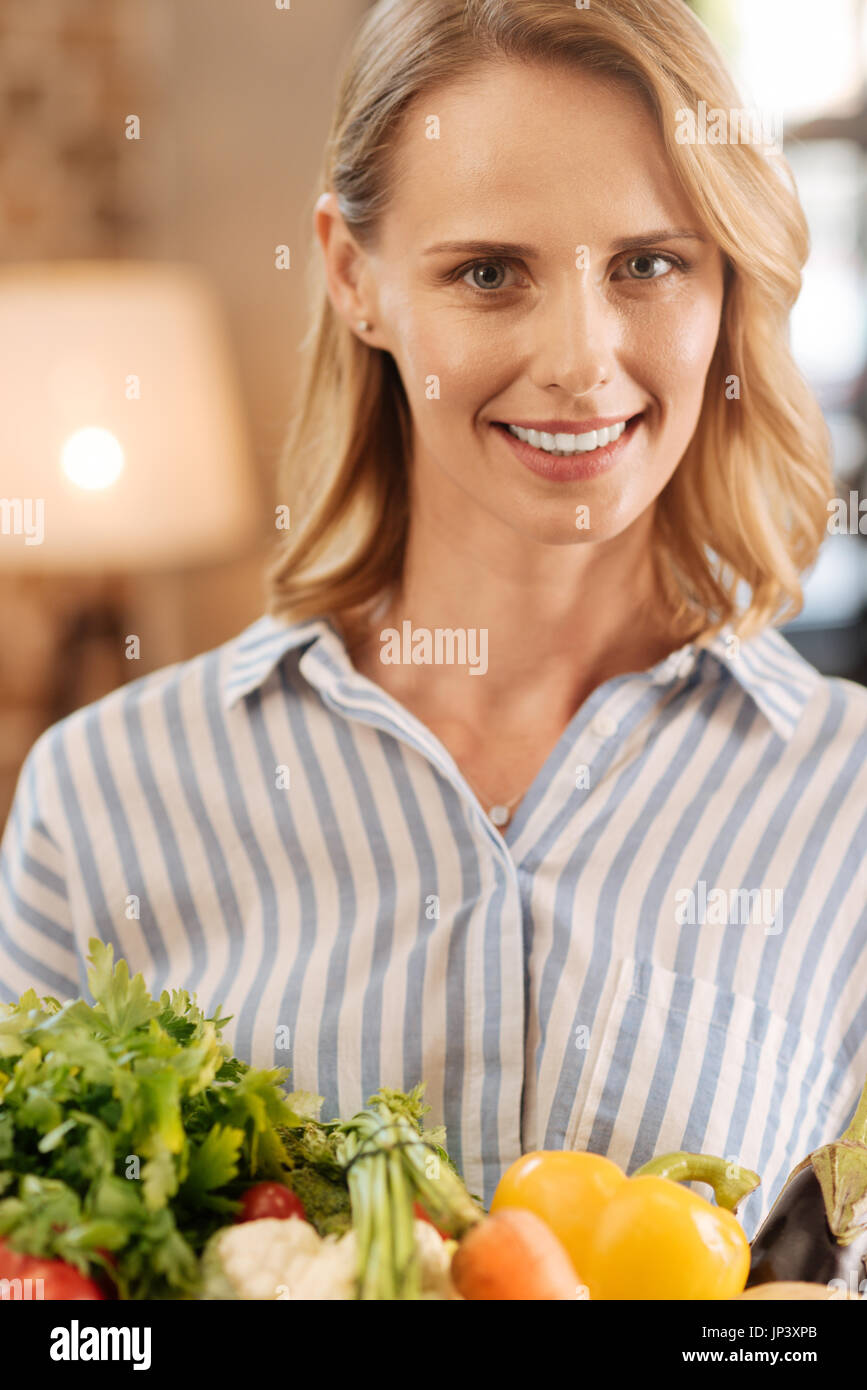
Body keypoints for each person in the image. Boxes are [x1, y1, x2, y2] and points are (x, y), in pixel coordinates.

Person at [1, 0, 865, 1236]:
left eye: (648, 263)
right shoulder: (105, 794)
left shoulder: (850, 803)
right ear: (352, 276)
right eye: (489, 272)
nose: (580, 357)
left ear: (727, 280)